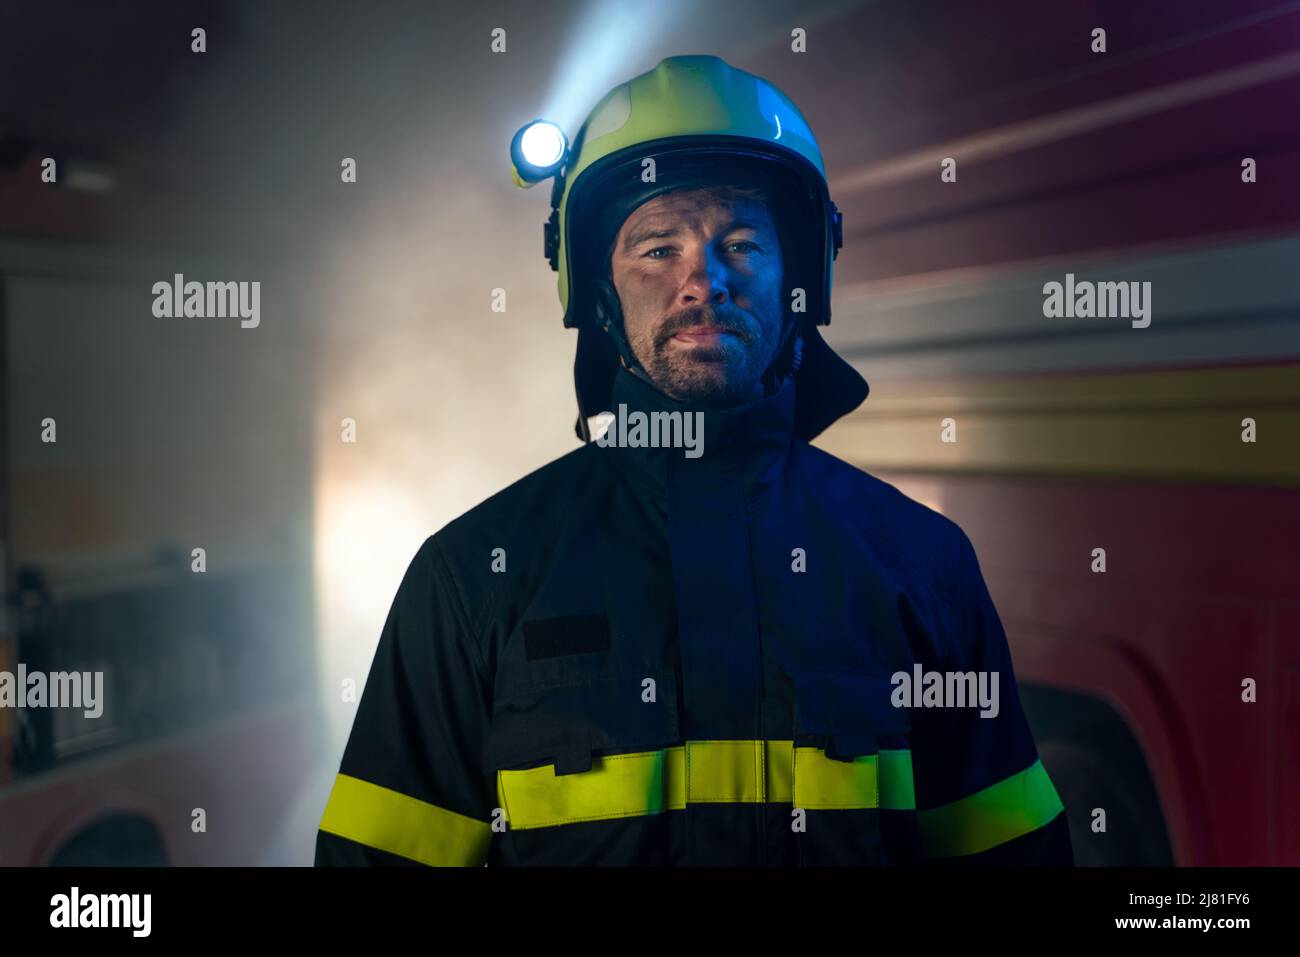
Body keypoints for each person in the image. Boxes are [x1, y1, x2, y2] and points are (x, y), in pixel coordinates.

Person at [315, 54, 1073, 866]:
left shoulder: (924, 569)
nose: (702, 282)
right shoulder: (472, 581)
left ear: (802, 279)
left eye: (742, 242)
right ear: (598, 293)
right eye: (656, 249)